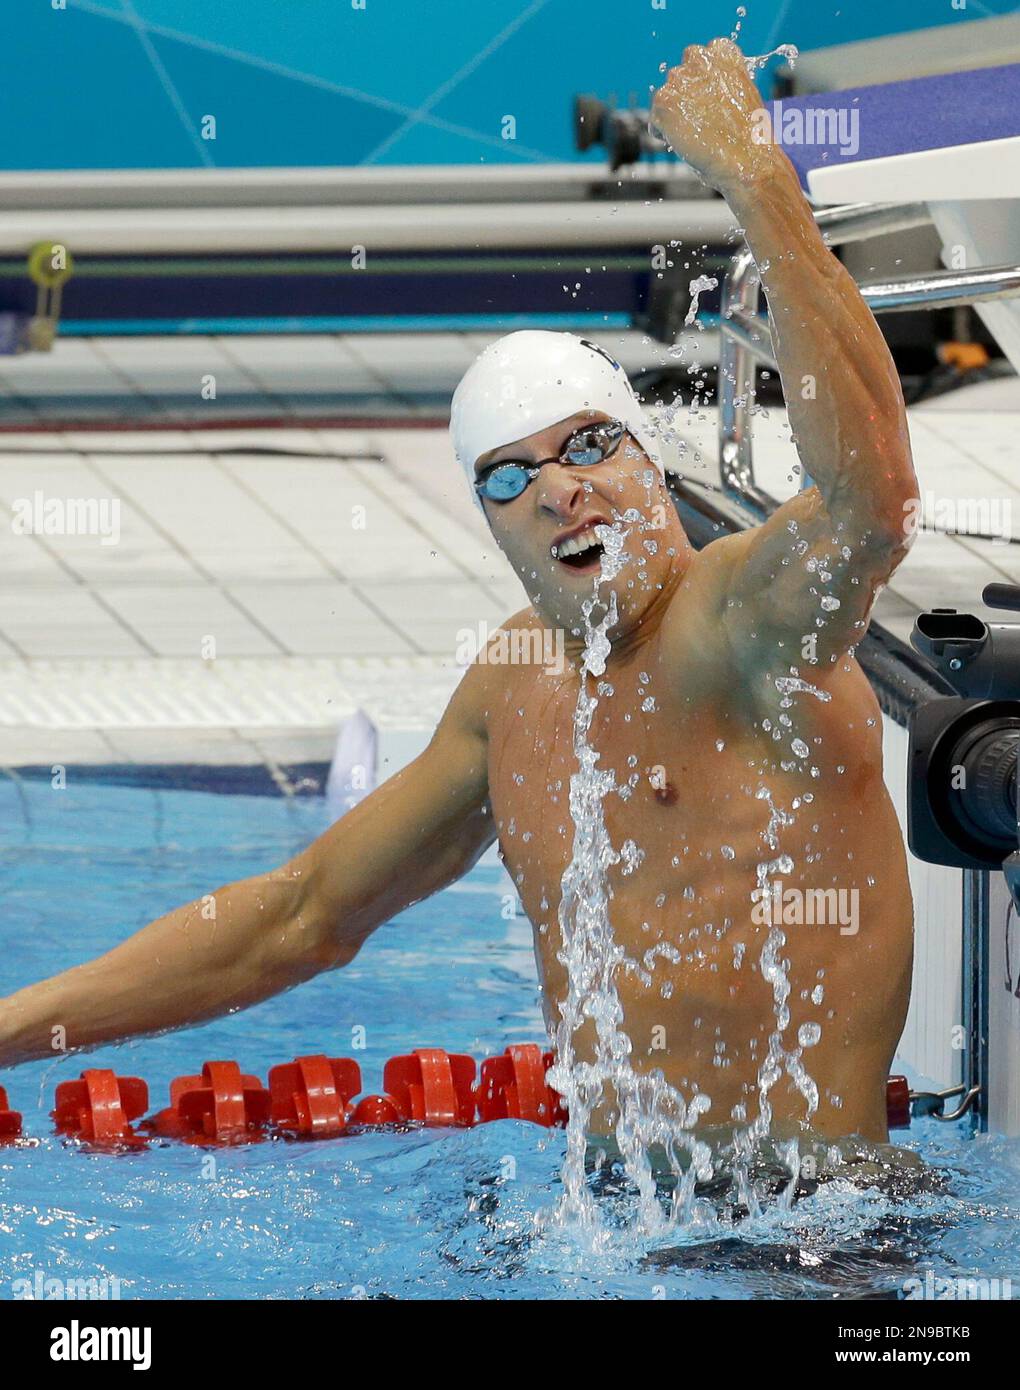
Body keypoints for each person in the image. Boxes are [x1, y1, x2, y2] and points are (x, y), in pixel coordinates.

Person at [0, 39, 918, 1146]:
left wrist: (760, 182)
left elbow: (872, 499)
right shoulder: (516, 689)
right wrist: (13, 1029)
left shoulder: (740, 627)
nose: (562, 491)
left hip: (811, 1243)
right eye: (512, 478)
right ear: (490, 522)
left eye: (590, 445)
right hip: (613, 1232)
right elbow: (300, 917)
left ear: (652, 461)